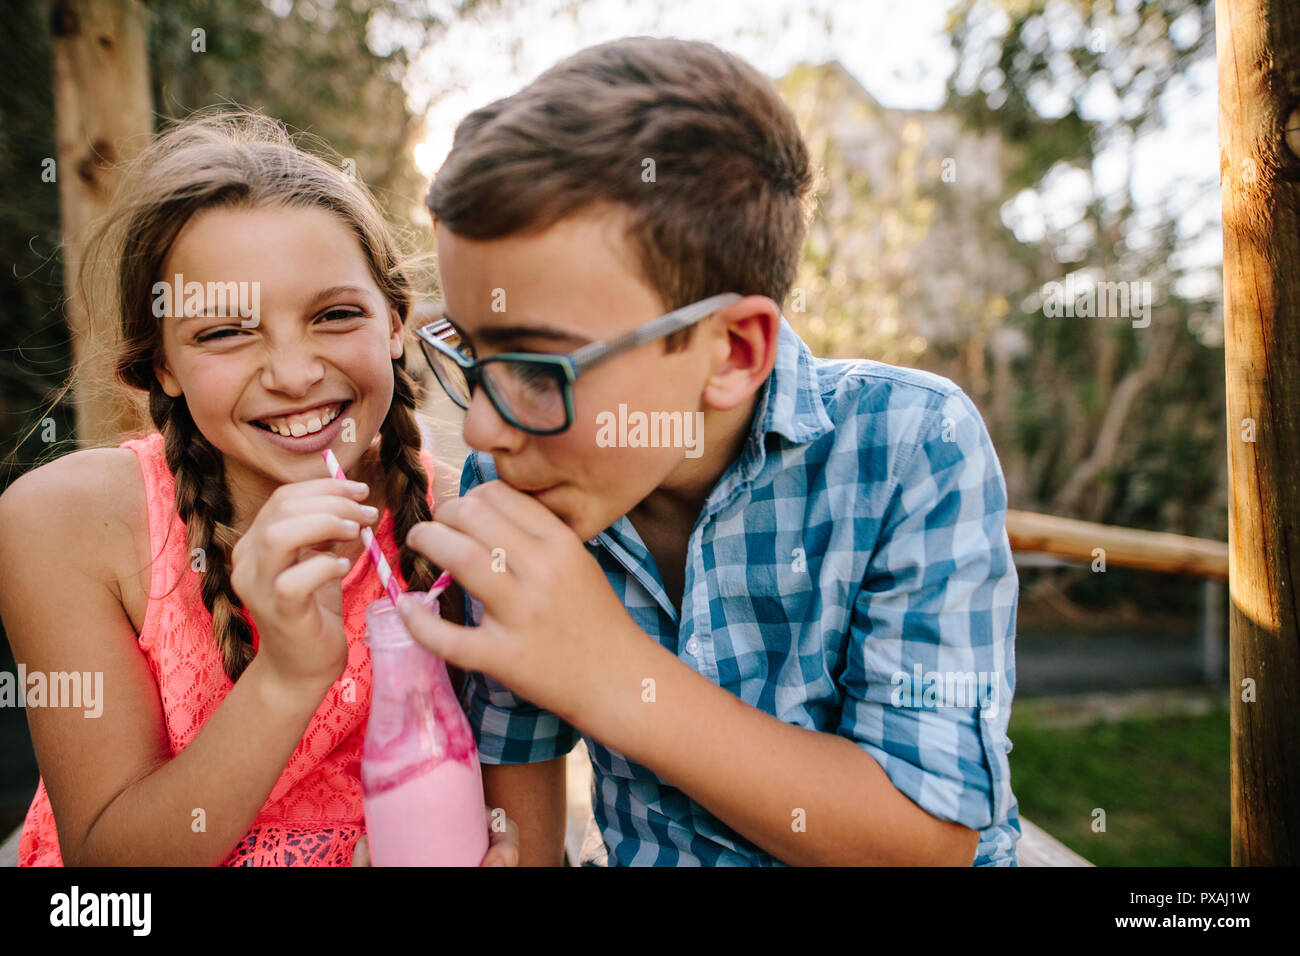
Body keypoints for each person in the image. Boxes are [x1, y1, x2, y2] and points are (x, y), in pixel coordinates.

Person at [397, 36, 1020, 866]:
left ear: (730, 352)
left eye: (539, 369)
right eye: (470, 354)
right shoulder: (517, 478)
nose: (480, 428)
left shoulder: (911, 445)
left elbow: (925, 839)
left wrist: (609, 672)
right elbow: (521, 802)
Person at [0, 111, 516, 866]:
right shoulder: (65, 524)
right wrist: (287, 675)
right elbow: (107, 872)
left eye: (335, 315)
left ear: (396, 323)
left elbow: (515, 826)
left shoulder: (467, 525)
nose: (294, 372)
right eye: (225, 332)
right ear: (164, 365)